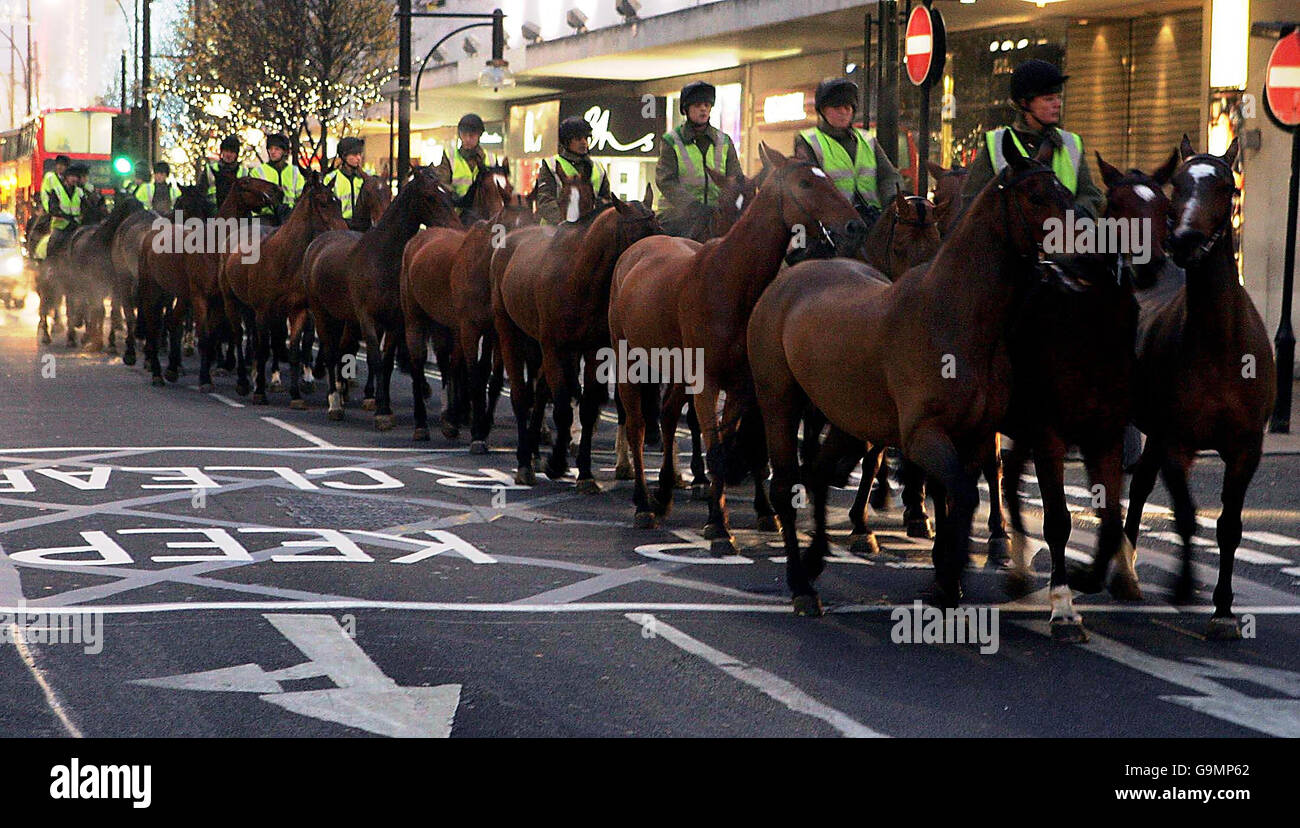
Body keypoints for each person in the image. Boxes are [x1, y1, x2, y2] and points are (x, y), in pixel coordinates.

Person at [959, 58, 1104, 219]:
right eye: (1049, 99)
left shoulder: (1071, 143)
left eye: (1059, 97)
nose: (1057, 104)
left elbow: (1091, 196)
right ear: (1024, 103)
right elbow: (972, 201)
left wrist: (1073, 215)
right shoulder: (996, 143)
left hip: (1062, 238)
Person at [793, 77, 901, 233]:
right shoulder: (808, 141)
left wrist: (893, 202)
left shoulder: (867, 139)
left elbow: (889, 176)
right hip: (833, 225)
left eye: (848, 108)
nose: (844, 112)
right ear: (823, 110)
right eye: (837, 108)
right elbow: (809, 186)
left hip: (873, 220)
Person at [655, 81, 742, 237]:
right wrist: (692, 207)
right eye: (697, 105)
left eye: (707, 105)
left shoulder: (725, 141)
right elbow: (666, 181)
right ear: (686, 109)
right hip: (677, 217)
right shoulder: (671, 140)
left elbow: (735, 178)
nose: (703, 109)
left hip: (716, 214)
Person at [532, 116, 611, 224]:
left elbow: (607, 201)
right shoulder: (551, 165)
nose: (584, 142)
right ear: (566, 141)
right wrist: (566, 222)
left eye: (586, 138)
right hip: (554, 230)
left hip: (589, 228)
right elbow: (545, 201)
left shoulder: (598, 168)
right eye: (578, 139)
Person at [435, 113, 487, 210]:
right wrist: (455, 197)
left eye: (471, 135)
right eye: (464, 135)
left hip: (484, 215)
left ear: (479, 135)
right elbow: (442, 182)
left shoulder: (490, 159)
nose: (467, 139)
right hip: (458, 213)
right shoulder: (450, 157)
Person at [248, 133, 303, 214]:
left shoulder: (294, 172)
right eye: (270, 149)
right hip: (264, 217)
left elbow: (301, 197)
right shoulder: (257, 172)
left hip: (289, 216)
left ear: (285, 152)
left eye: (277, 149)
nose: (272, 152)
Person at [40, 162, 86, 258]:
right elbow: (53, 209)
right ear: (66, 178)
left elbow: (85, 207)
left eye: (76, 177)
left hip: (76, 226)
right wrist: (64, 216)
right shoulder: (56, 191)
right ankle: (50, 264)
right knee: (53, 243)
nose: (74, 179)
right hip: (60, 227)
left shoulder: (80, 192)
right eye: (71, 176)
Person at [324, 136, 369, 231]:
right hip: (339, 229)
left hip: (362, 228)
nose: (359, 158)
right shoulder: (331, 178)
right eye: (354, 154)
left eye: (360, 154)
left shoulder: (365, 178)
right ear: (344, 156)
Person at [199, 134, 247, 209]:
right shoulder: (210, 169)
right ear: (222, 152)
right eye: (226, 151)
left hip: (237, 212)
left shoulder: (244, 171)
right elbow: (201, 192)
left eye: (232, 152)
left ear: (236, 155)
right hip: (212, 211)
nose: (228, 155)